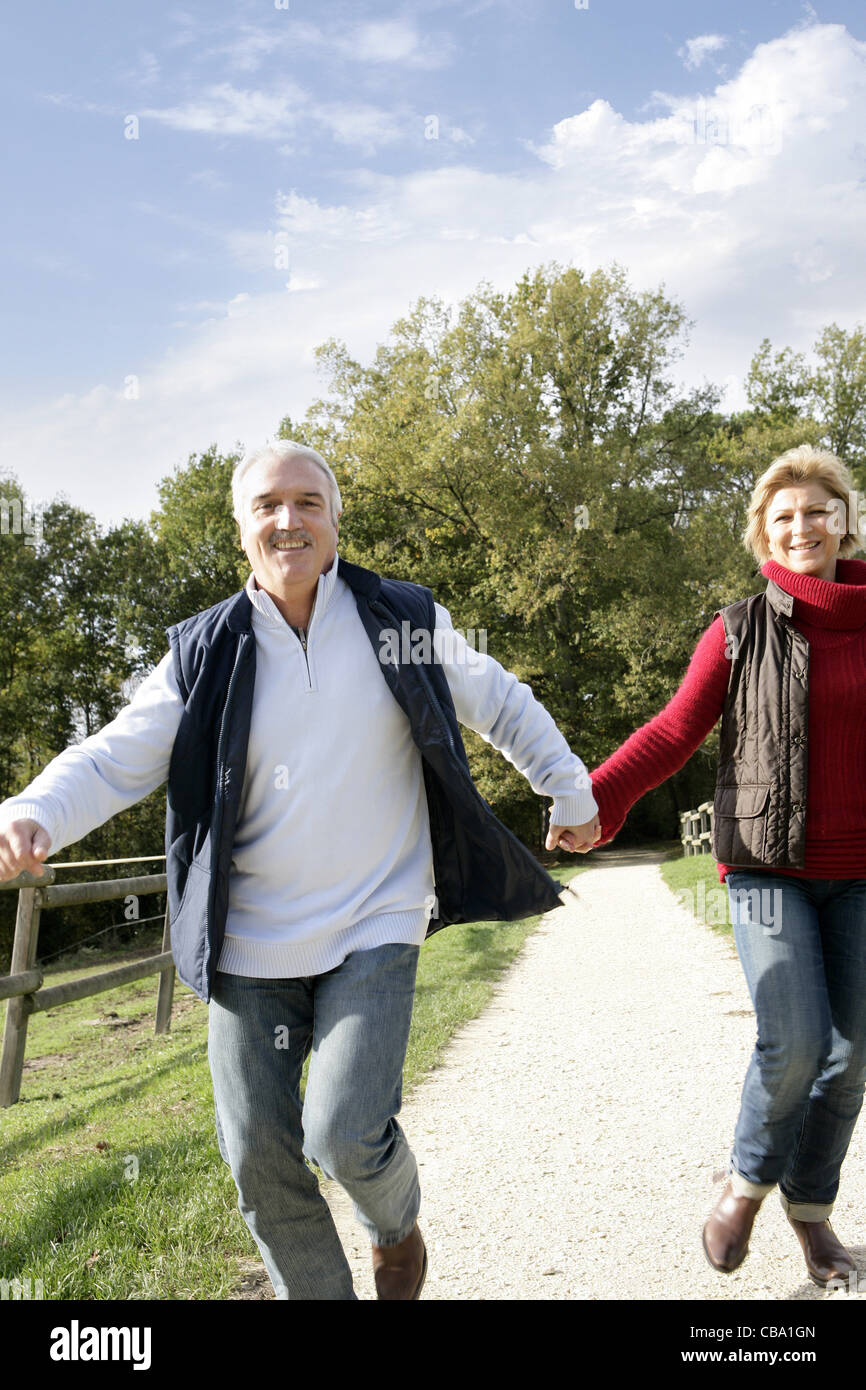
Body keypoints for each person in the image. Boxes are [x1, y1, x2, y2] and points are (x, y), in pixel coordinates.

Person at [0, 440, 600, 1301]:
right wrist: (31, 811)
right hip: (249, 940)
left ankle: (395, 1225)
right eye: (269, 505)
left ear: (335, 519)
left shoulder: (400, 623)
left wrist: (567, 785)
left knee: (346, 1131)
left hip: (376, 918)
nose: (290, 520)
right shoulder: (204, 653)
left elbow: (497, 698)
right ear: (242, 528)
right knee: (256, 1156)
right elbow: (111, 760)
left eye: (309, 502)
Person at [573, 443, 866, 1288]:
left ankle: (812, 1218)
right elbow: (672, 732)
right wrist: (594, 801)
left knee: (851, 1058)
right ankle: (743, 1186)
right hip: (769, 867)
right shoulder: (738, 631)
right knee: (797, 1041)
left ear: (843, 520)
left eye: (816, 511)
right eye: (784, 518)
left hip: (860, 874)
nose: (802, 527)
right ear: (764, 538)